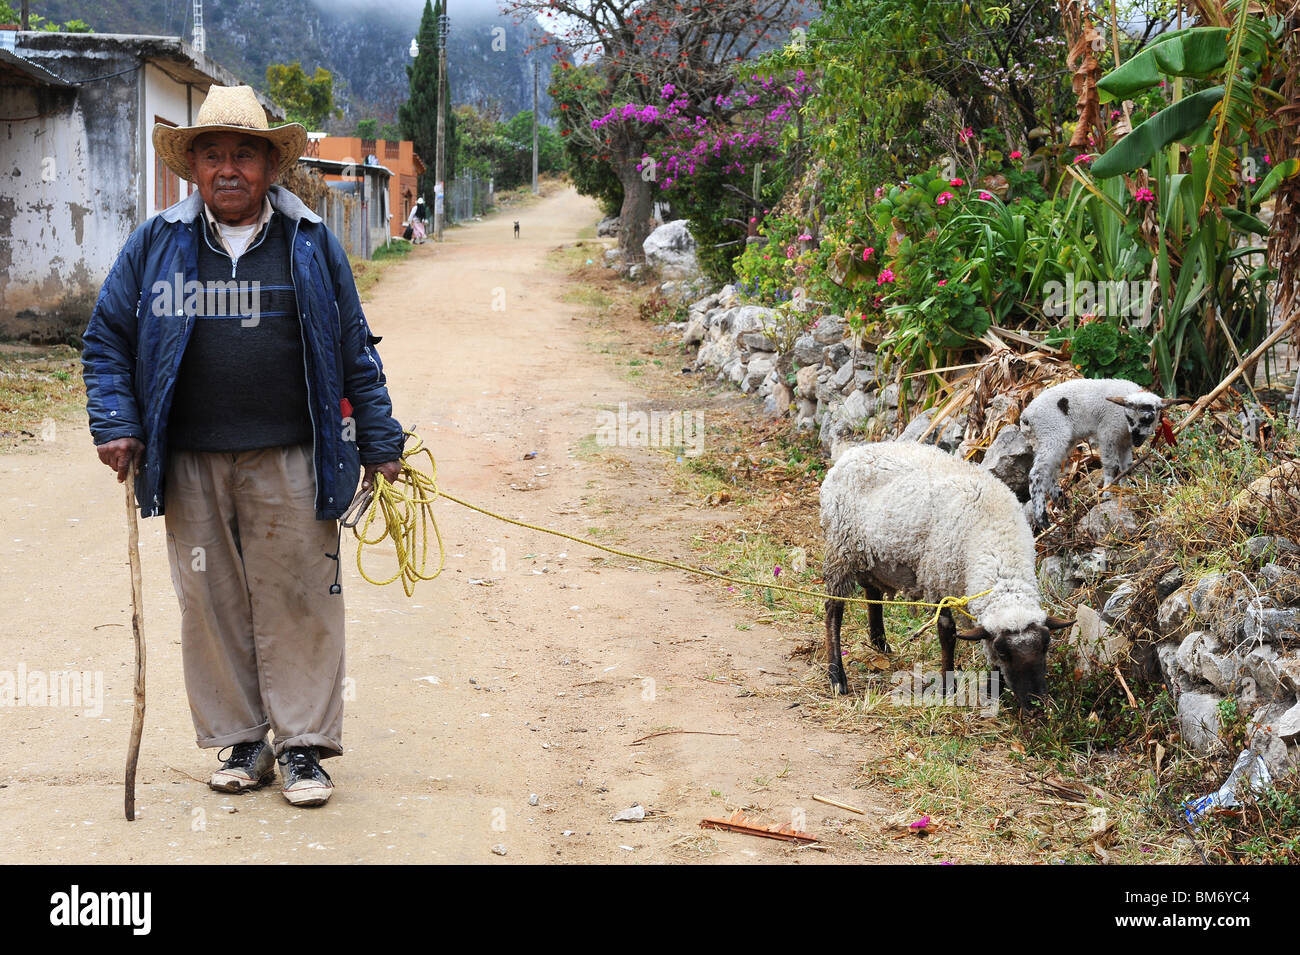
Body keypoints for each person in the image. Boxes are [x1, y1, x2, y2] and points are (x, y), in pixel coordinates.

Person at [81, 85, 405, 807]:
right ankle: (243, 738)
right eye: (213, 155)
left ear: (271, 166)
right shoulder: (157, 240)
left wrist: (379, 437)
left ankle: (302, 748)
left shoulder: (311, 241)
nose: (229, 170)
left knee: (298, 595)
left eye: (244, 156)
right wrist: (115, 419)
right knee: (209, 598)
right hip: (190, 457)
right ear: (193, 167)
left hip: (292, 450)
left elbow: (354, 346)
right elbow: (108, 336)